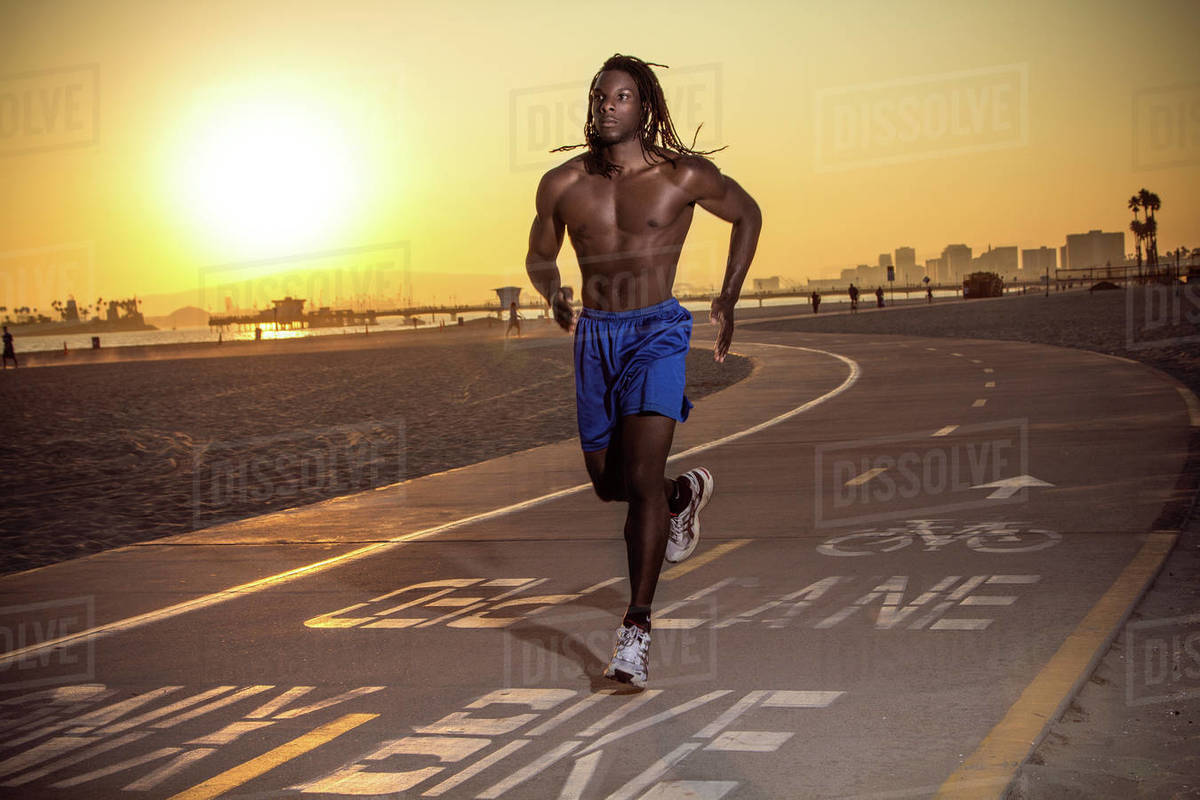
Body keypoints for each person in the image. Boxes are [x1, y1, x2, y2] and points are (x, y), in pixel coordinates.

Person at [526, 54, 761, 688]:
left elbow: (748, 215)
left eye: (623, 96)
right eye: (601, 95)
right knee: (610, 485)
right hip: (597, 337)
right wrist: (554, 295)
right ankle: (681, 495)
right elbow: (539, 255)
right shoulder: (563, 184)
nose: (608, 105)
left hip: (657, 331)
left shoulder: (682, 176)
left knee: (640, 473)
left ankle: (635, 629)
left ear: (645, 105)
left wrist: (729, 296)